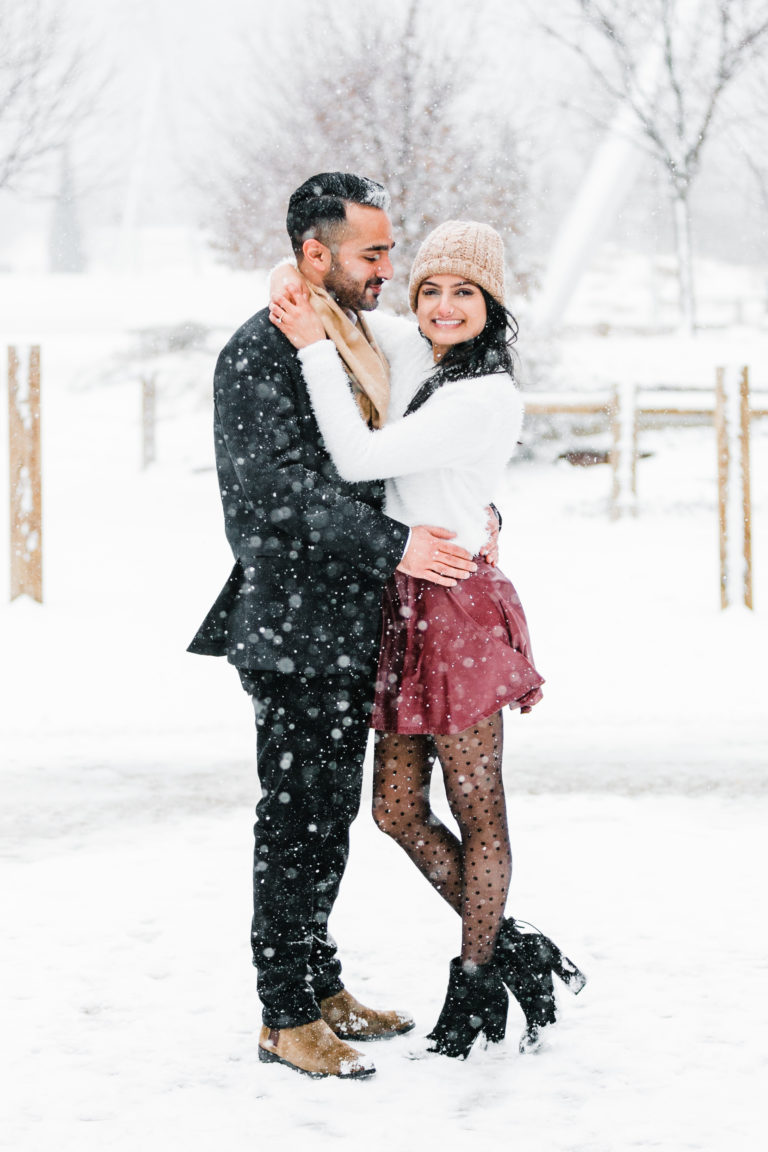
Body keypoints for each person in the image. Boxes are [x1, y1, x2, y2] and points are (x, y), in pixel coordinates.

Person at [188, 174, 485, 1081]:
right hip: (291, 630)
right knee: (294, 821)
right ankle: (284, 1014)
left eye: (390, 250)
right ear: (315, 254)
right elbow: (274, 502)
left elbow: (396, 452)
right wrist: (396, 545)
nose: (389, 269)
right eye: (374, 253)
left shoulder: (345, 338)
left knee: (326, 821)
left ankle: (320, 987)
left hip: (348, 625)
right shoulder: (260, 353)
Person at [270, 219, 587, 1060]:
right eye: (433, 290)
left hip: (454, 606)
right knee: (396, 810)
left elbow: (357, 454)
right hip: (403, 598)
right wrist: (293, 286)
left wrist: (308, 350)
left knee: (477, 805)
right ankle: (520, 950)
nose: (445, 307)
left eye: (466, 293)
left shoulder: (483, 395)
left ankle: (478, 981)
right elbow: (327, 292)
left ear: (494, 305)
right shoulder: (423, 355)